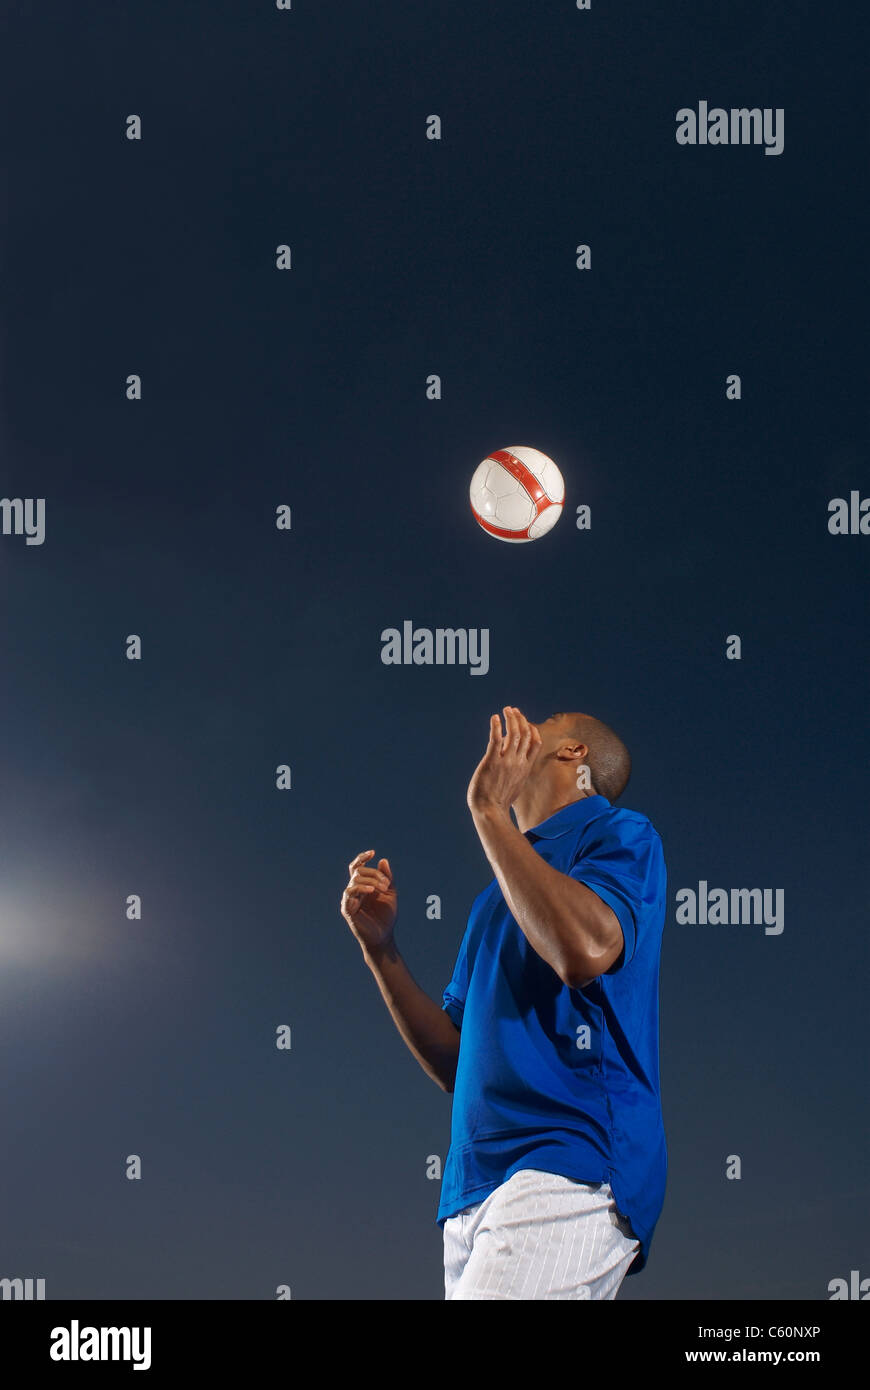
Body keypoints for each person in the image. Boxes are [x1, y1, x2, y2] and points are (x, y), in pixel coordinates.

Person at [340, 705, 667, 1300]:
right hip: (473, 1188)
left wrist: (489, 812)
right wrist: (381, 949)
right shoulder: (495, 898)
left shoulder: (620, 833)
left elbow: (584, 951)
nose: (517, 735)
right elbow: (452, 1060)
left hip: (572, 1160)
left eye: (539, 730)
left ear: (572, 755)